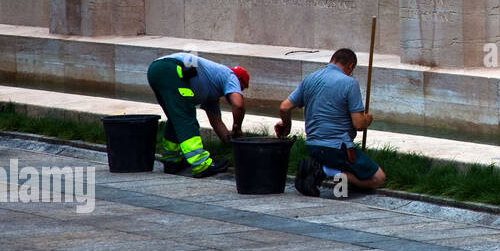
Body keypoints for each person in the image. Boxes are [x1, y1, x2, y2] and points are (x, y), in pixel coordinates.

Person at [276, 48, 382, 197]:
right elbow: (358, 124)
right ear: (350, 66)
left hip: (312, 145)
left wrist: (286, 126)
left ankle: (330, 174)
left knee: (350, 171)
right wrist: (367, 119)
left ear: (332, 60)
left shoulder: (310, 78)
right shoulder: (349, 83)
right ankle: (322, 170)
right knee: (377, 178)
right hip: (337, 148)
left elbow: (284, 107)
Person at [146, 53, 251, 177]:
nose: (239, 91)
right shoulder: (230, 75)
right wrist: (237, 127)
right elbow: (238, 105)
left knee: (176, 117)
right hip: (170, 69)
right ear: (239, 81)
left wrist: (233, 143)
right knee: (186, 117)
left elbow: (216, 123)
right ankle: (201, 164)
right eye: (242, 88)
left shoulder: (212, 93)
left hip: (156, 70)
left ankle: (171, 161)